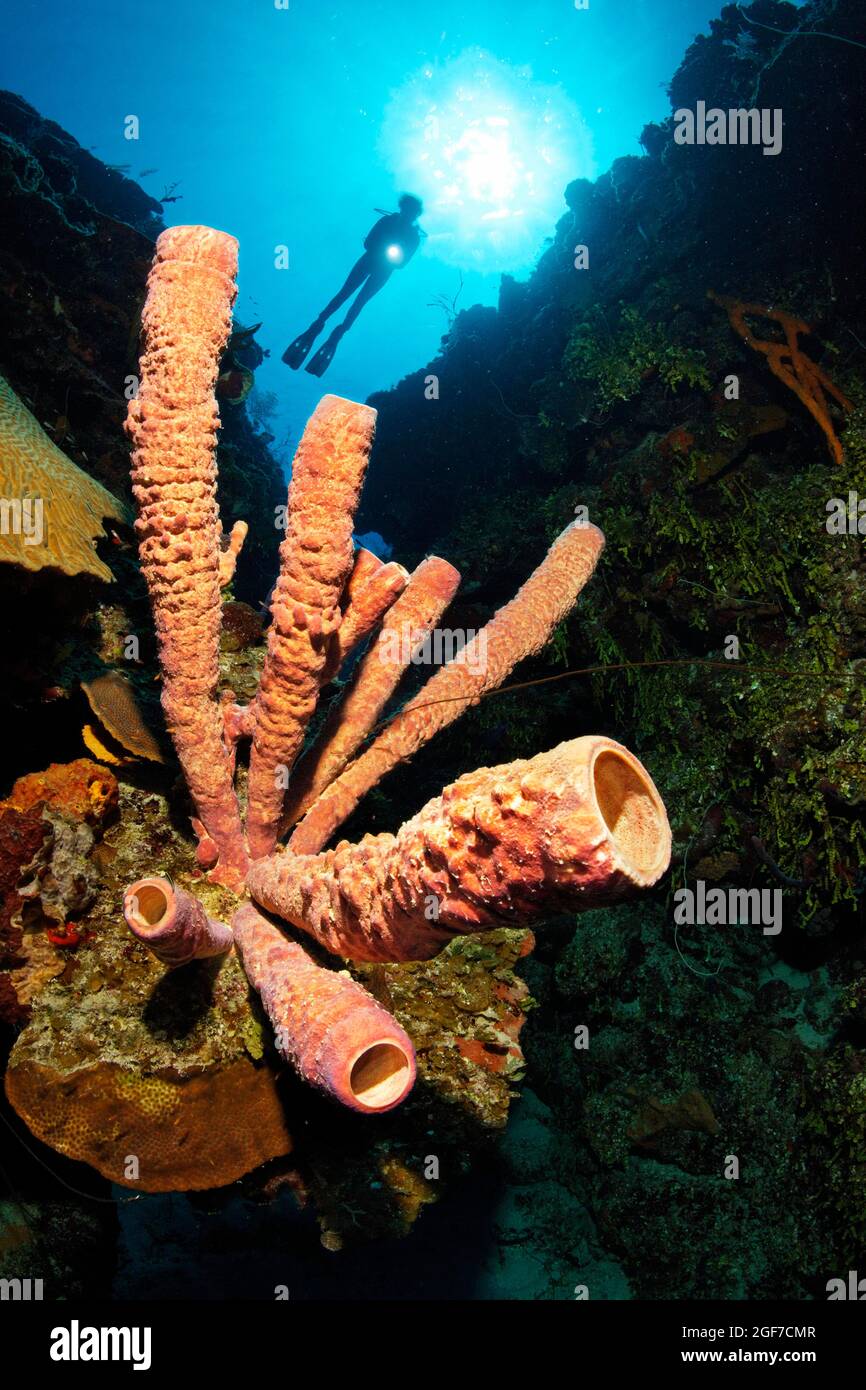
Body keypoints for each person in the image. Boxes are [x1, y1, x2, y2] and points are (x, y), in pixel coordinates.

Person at [283, 194, 424, 377]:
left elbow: (402, 263)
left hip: (383, 269)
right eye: (406, 210)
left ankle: (339, 332)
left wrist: (392, 254)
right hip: (369, 260)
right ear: (402, 208)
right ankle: (319, 322)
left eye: (411, 212)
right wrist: (383, 248)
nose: (408, 215)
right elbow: (368, 242)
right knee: (344, 294)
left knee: (360, 302)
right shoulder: (387, 221)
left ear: (415, 215)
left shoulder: (413, 236)